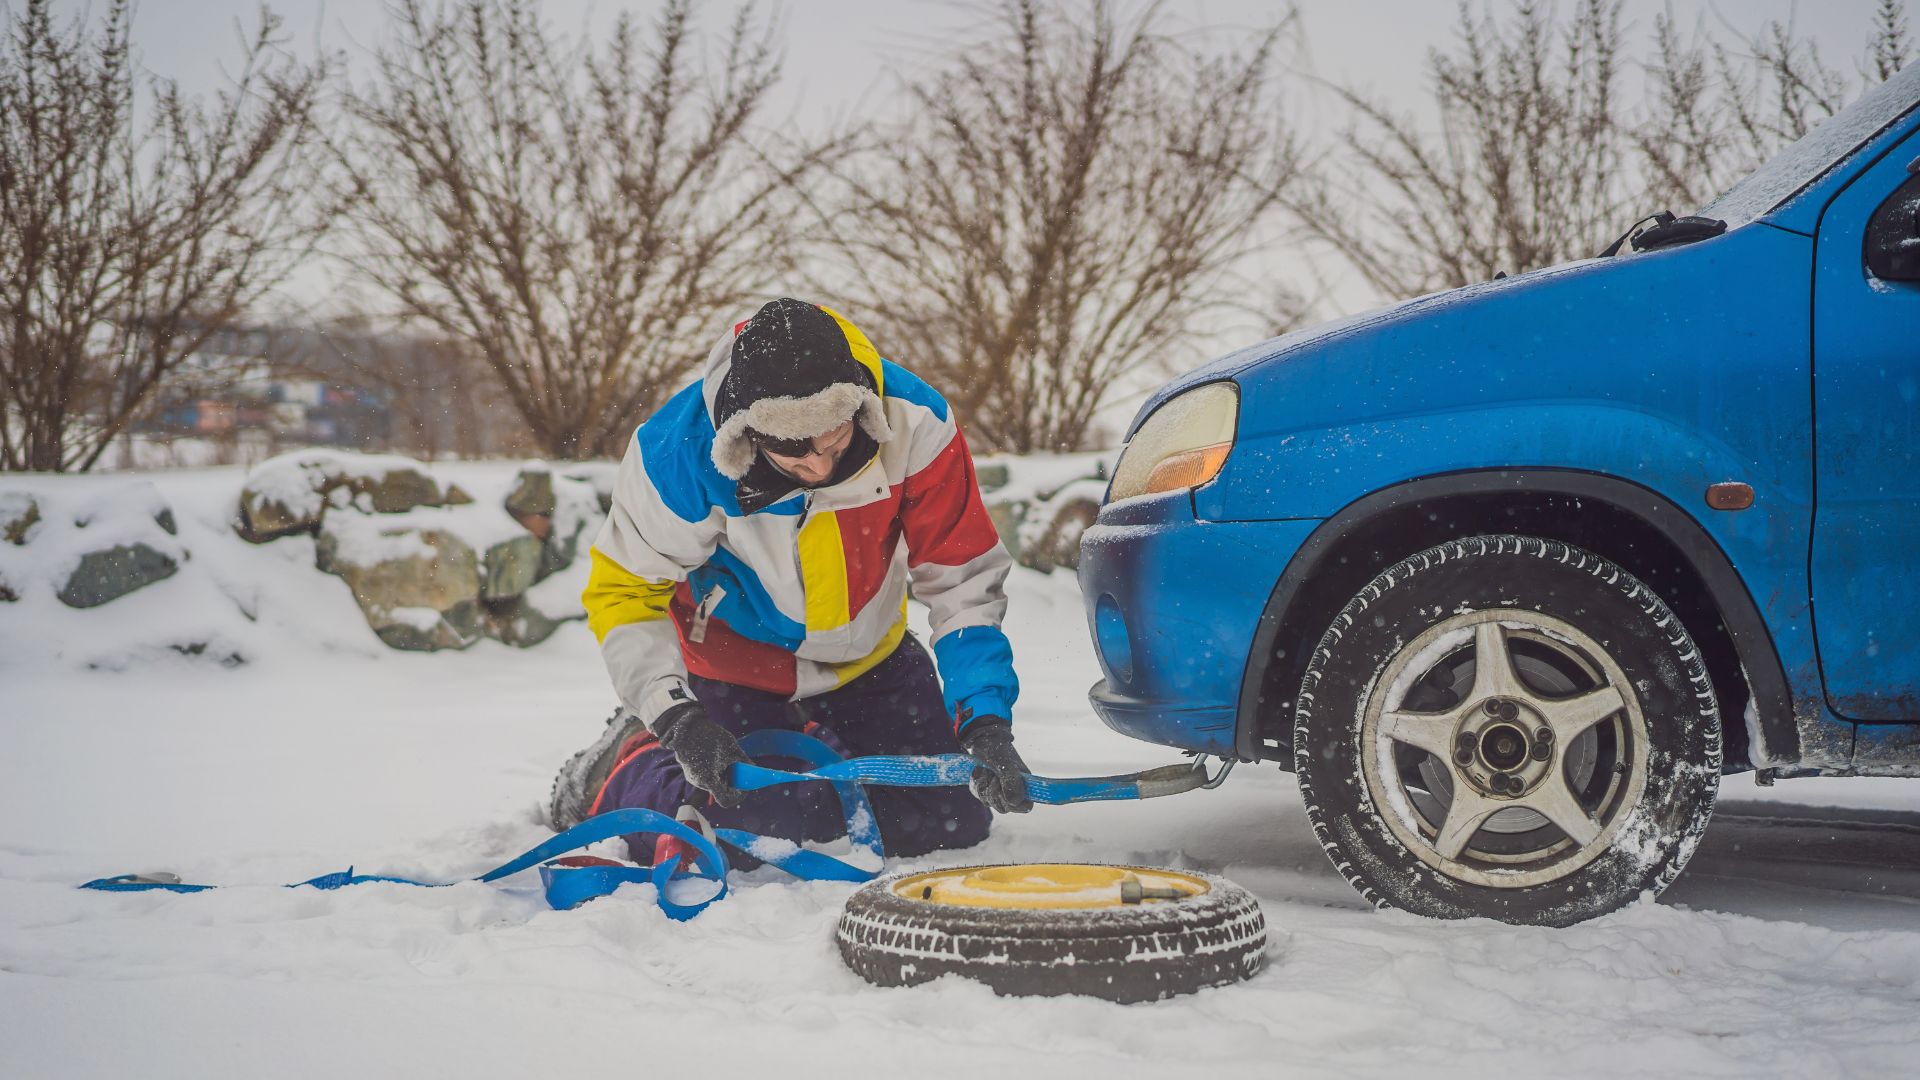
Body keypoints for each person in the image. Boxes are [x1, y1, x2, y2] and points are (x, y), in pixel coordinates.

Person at [547, 297, 1031, 864]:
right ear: (746, 435)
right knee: (751, 837)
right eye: (793, 455)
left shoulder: (916, 423)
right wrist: (677, 720)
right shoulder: (676, 451)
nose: (820, 468)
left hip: (868, 655)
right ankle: (626, 757)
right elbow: (625, 591)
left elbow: (962, 582)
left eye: (834, 442)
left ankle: (817, 754)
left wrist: (986, 719)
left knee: (948, 823)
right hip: (733, 664)